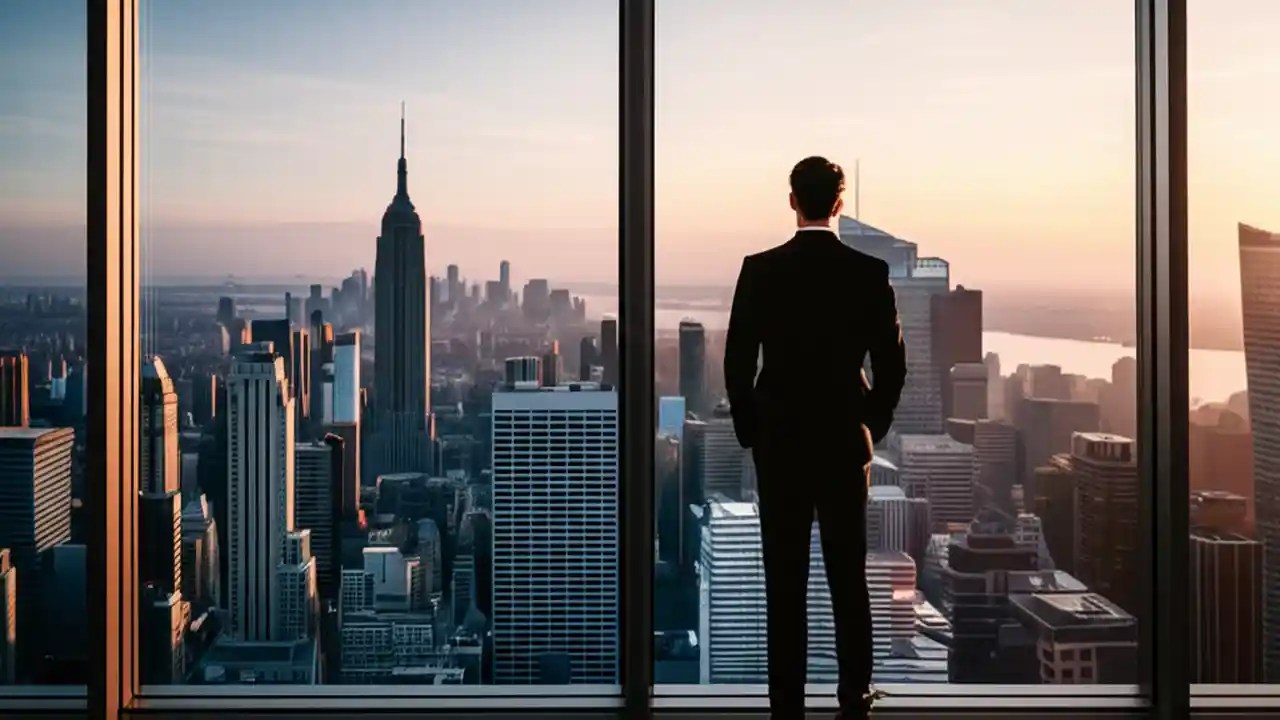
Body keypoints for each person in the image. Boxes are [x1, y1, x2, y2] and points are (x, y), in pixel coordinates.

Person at [723, 156, 907, 719]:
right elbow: (893, 367)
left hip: (780, 447)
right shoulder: (868, 273)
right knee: (848, 579)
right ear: (838, 203)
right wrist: (868, 426)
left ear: (792, 200)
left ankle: (787, 708)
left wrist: (753, 432)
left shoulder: (759, 270)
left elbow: (736, 363)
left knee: (785, 586)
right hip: (841, 448)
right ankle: (854, 699)